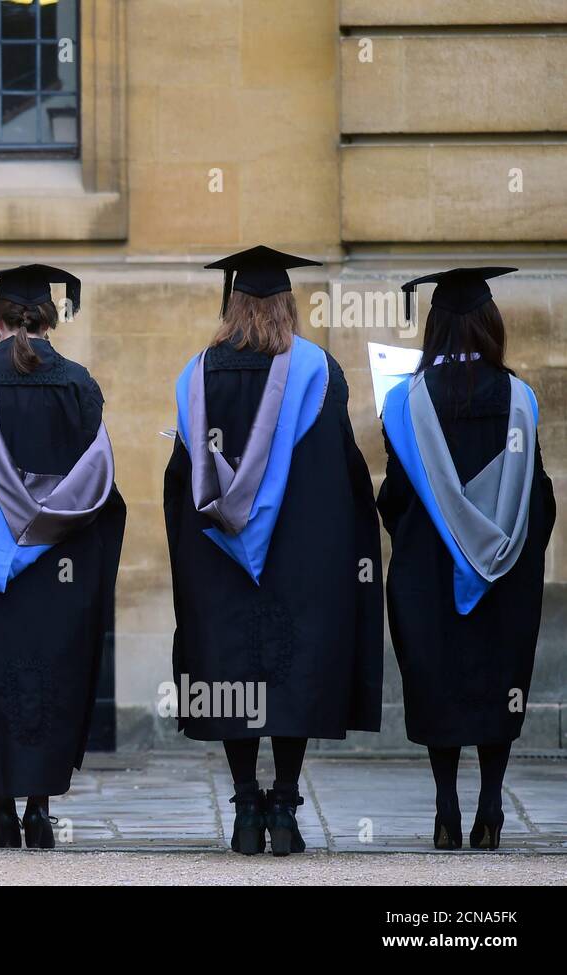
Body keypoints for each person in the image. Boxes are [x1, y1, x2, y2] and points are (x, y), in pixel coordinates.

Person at [163, 246, 383, 856]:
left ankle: (244, 808)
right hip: (299, 555)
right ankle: (283, 806)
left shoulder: (197, 374)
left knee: (231, 672)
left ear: (231, 305)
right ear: (288, 303)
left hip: (219, 556)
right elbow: (343, 467)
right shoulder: (318, 371)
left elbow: (180, 478)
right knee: (293, 672)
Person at [0, 264, 126, 849]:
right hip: (61, 567)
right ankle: (40, 807)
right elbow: (101, 485)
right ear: (51, 319)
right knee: (54, 673)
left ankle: (1, 811)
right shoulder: (79, 384)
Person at [378, 267, 555, 850]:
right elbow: (540, 497)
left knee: (438, 678)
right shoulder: (520, 400)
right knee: (500, 678)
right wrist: (509, 549)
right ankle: (491, 803)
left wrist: (427, 535)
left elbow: (395, 498)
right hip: (508, 572)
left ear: (434, 329)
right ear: (490, 324)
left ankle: (446, 805)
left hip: (428, 572)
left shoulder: (405, 403)